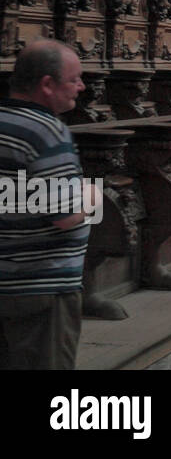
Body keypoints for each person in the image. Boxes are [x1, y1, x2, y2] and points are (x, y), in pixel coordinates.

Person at [0, 40, 90, 369]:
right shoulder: (46, 132)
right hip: (41, 289)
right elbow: (65, 216)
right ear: (47, 85)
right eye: (74, 79)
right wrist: (91, 197)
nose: (81, 86)